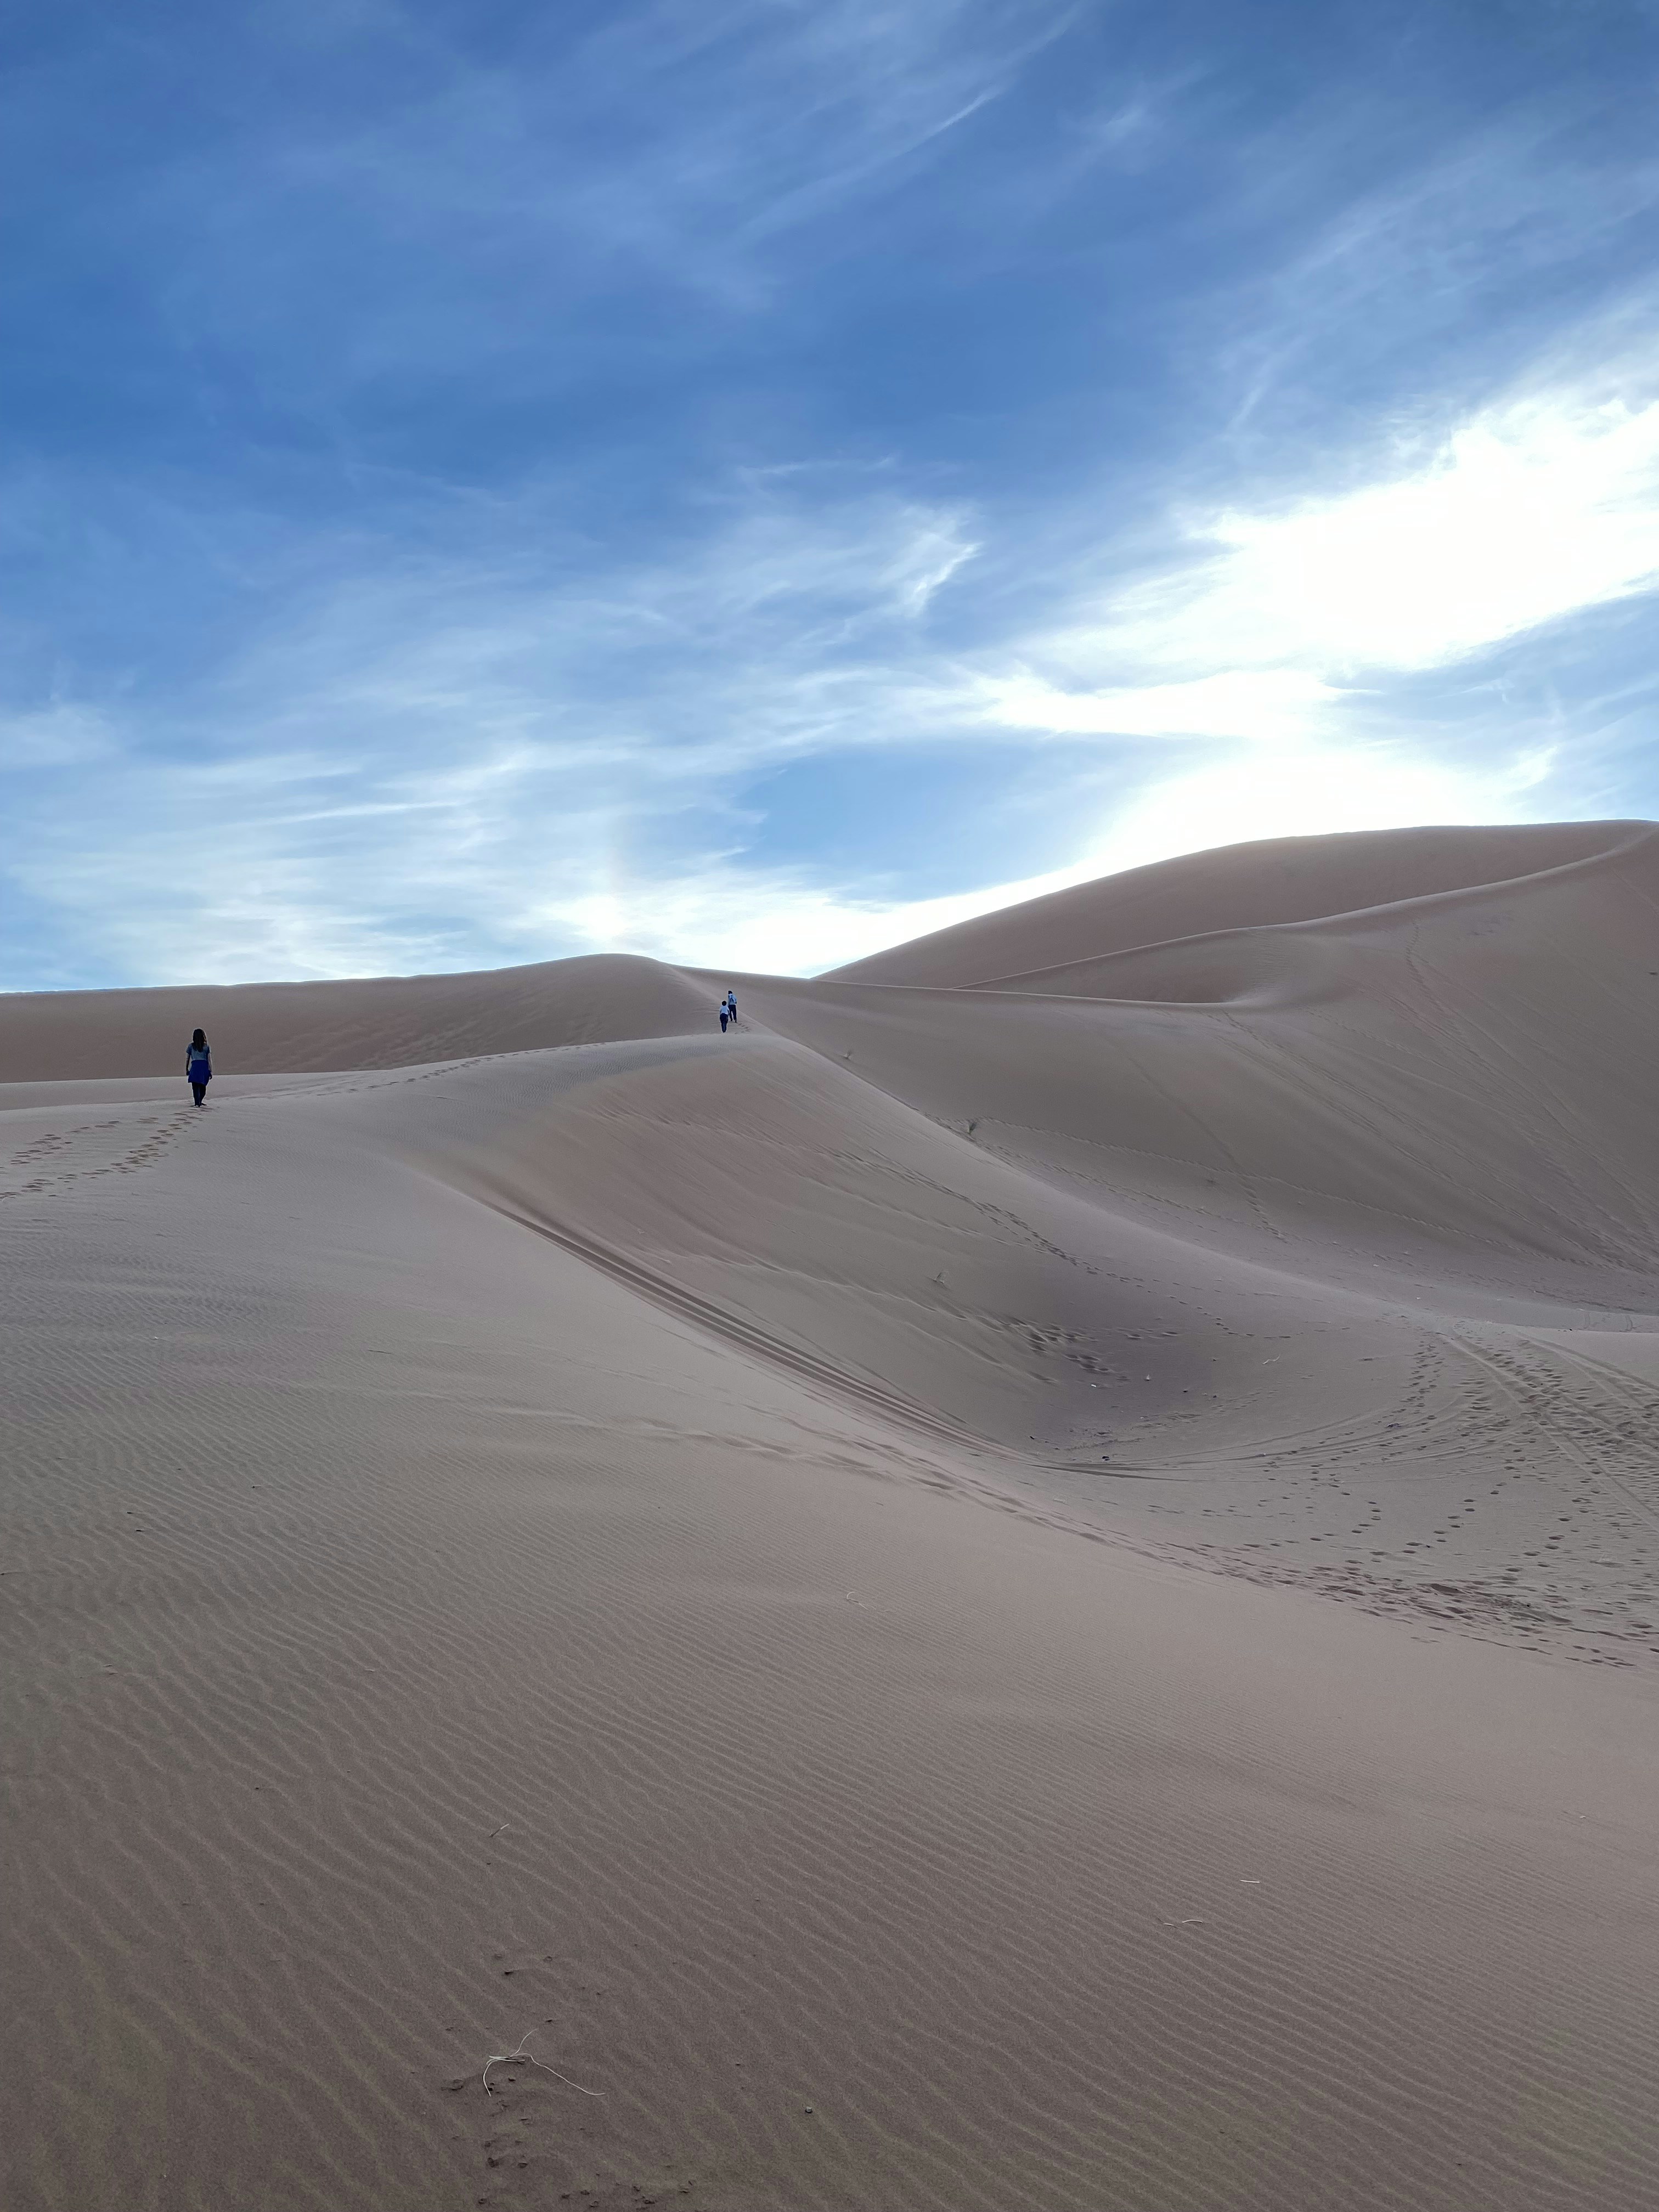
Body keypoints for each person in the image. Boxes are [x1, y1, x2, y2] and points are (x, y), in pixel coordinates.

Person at [185, 1028, 212, 1105]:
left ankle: (197, 1103)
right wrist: (211, 1070)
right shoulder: (206, 1047)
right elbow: (209, 1060)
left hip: (195, 1066)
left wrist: (186, 1069)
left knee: (195, 1087)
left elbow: (187, 1059)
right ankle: (199, 1102)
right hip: (204, 1067)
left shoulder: (191, 1046)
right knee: (203, 1086)